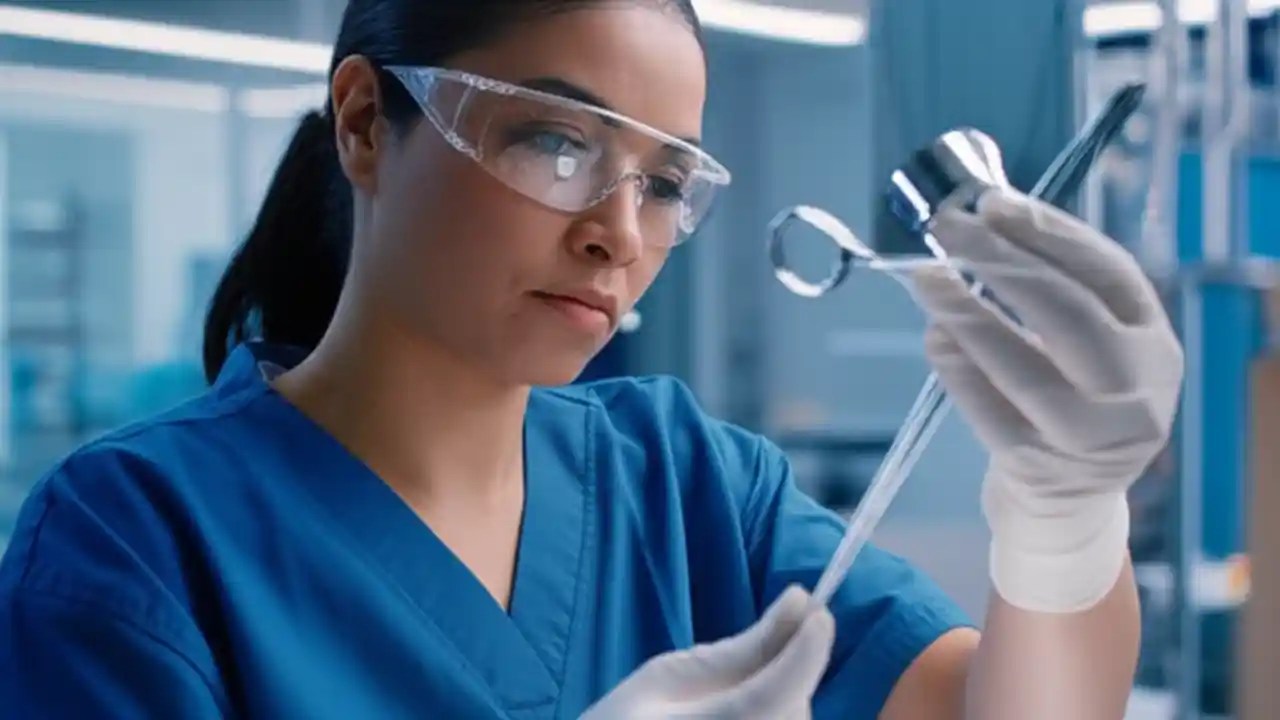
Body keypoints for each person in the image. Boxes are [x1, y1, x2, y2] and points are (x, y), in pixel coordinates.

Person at [0, 1, 1184, 718]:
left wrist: (1064, 518)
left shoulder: (683, 483)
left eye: (665, 182)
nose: (617, 231)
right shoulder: (133, 543)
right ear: (365, 121)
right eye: (556, 143)